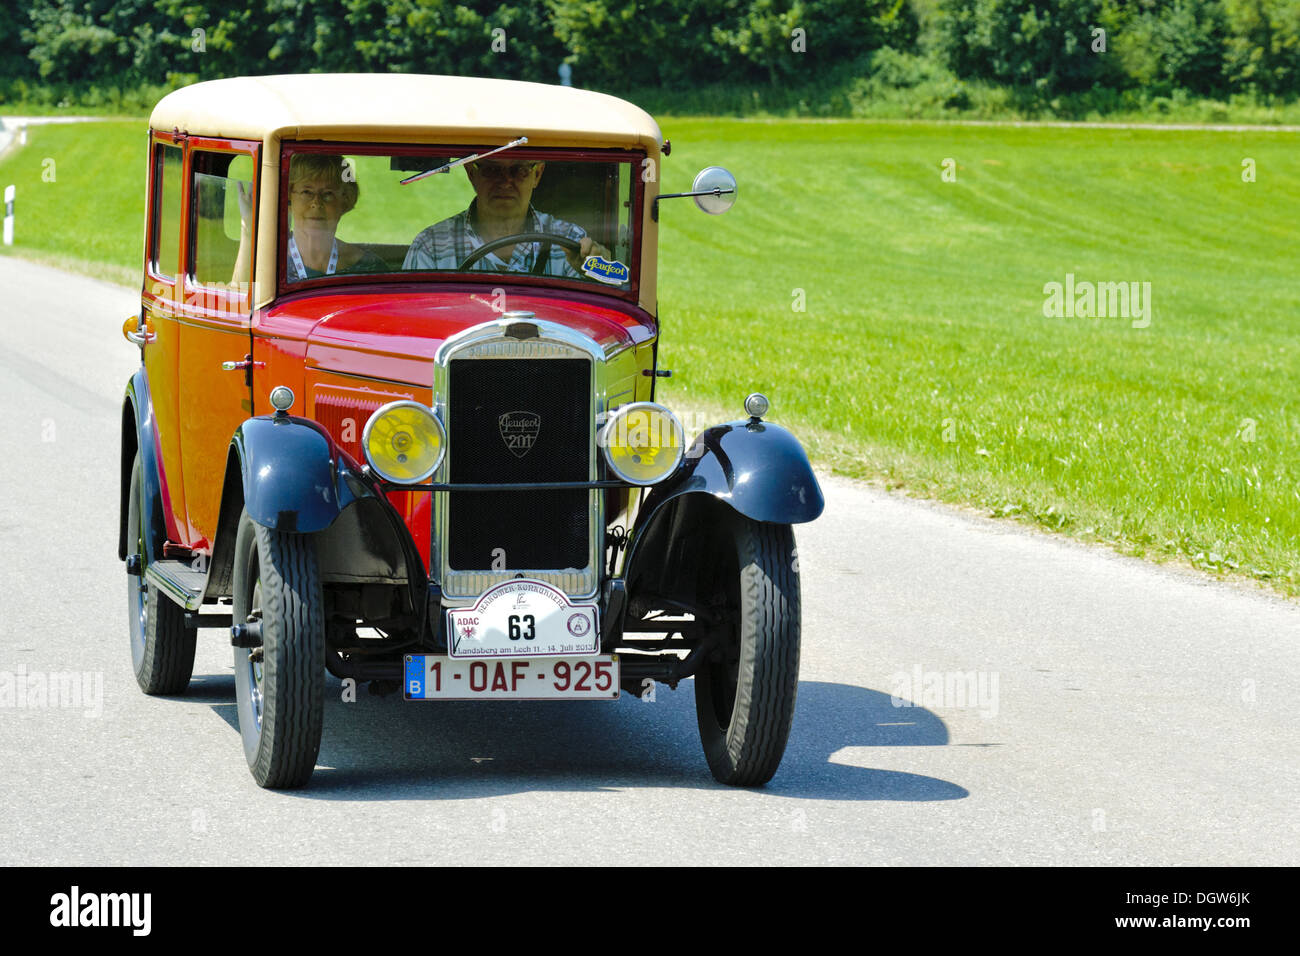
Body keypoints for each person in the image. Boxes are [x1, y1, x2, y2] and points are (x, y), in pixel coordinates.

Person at [403, 158, 612, 278]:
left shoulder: (571, 240)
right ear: (471, 174)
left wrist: (603, 271)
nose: (505, 182)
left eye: (519, 170)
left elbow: (605, 310)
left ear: (537, 175)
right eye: (492, 170)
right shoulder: (431, 247)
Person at [232, 154, 387, 284]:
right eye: (307, 192)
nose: (316, 203)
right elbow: (236, 304)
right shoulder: (268, 258)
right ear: (288, 198)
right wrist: (249, 230)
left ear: (344, 201)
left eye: (328, 193)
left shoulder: (370, 267)